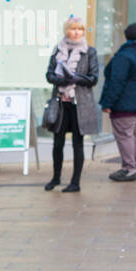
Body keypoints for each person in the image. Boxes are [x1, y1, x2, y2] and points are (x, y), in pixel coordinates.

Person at [43, 17, 99, 192]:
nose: (76, 32)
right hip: (61, 102)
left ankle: (75, 182)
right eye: (72, 29)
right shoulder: (58, 50)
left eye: (80, 29)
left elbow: (93, 78)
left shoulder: (89, 52)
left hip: (79, 103)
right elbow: (49, 74)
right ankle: (56, 177)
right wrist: (59, 79)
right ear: (66, 30)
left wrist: (75, 79)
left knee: (78, 143)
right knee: (57, 143)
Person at [99, 22, 136, 183]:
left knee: (125, 136)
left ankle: (129, 168)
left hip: (125, 104)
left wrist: (107, 103)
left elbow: (116, 82)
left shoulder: (124, 56)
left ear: (126, 37)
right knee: (134, 136)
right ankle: (131, 167)